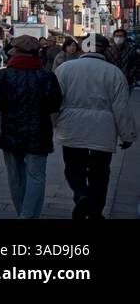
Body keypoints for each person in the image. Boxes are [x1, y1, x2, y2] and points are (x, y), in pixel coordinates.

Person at [54, 40, 137, 219]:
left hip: (71, 127)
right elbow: (121, 107)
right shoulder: (114, 72)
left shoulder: (65, 69)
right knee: (100, 173)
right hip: (103, 129)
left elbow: (55, 100)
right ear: (105, 51)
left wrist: (52, 123)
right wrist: (127, 135)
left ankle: (82, 195)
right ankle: (95, 210)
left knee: (74, 168)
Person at [0, 34, 63, 218]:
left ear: (15, 54)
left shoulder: (5, 75)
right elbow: (55, 104)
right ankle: (28, 215)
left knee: (15, 176)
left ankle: (23, 212)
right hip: (39, 133)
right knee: (36, 176)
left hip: (10, 131)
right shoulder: (47, 77)